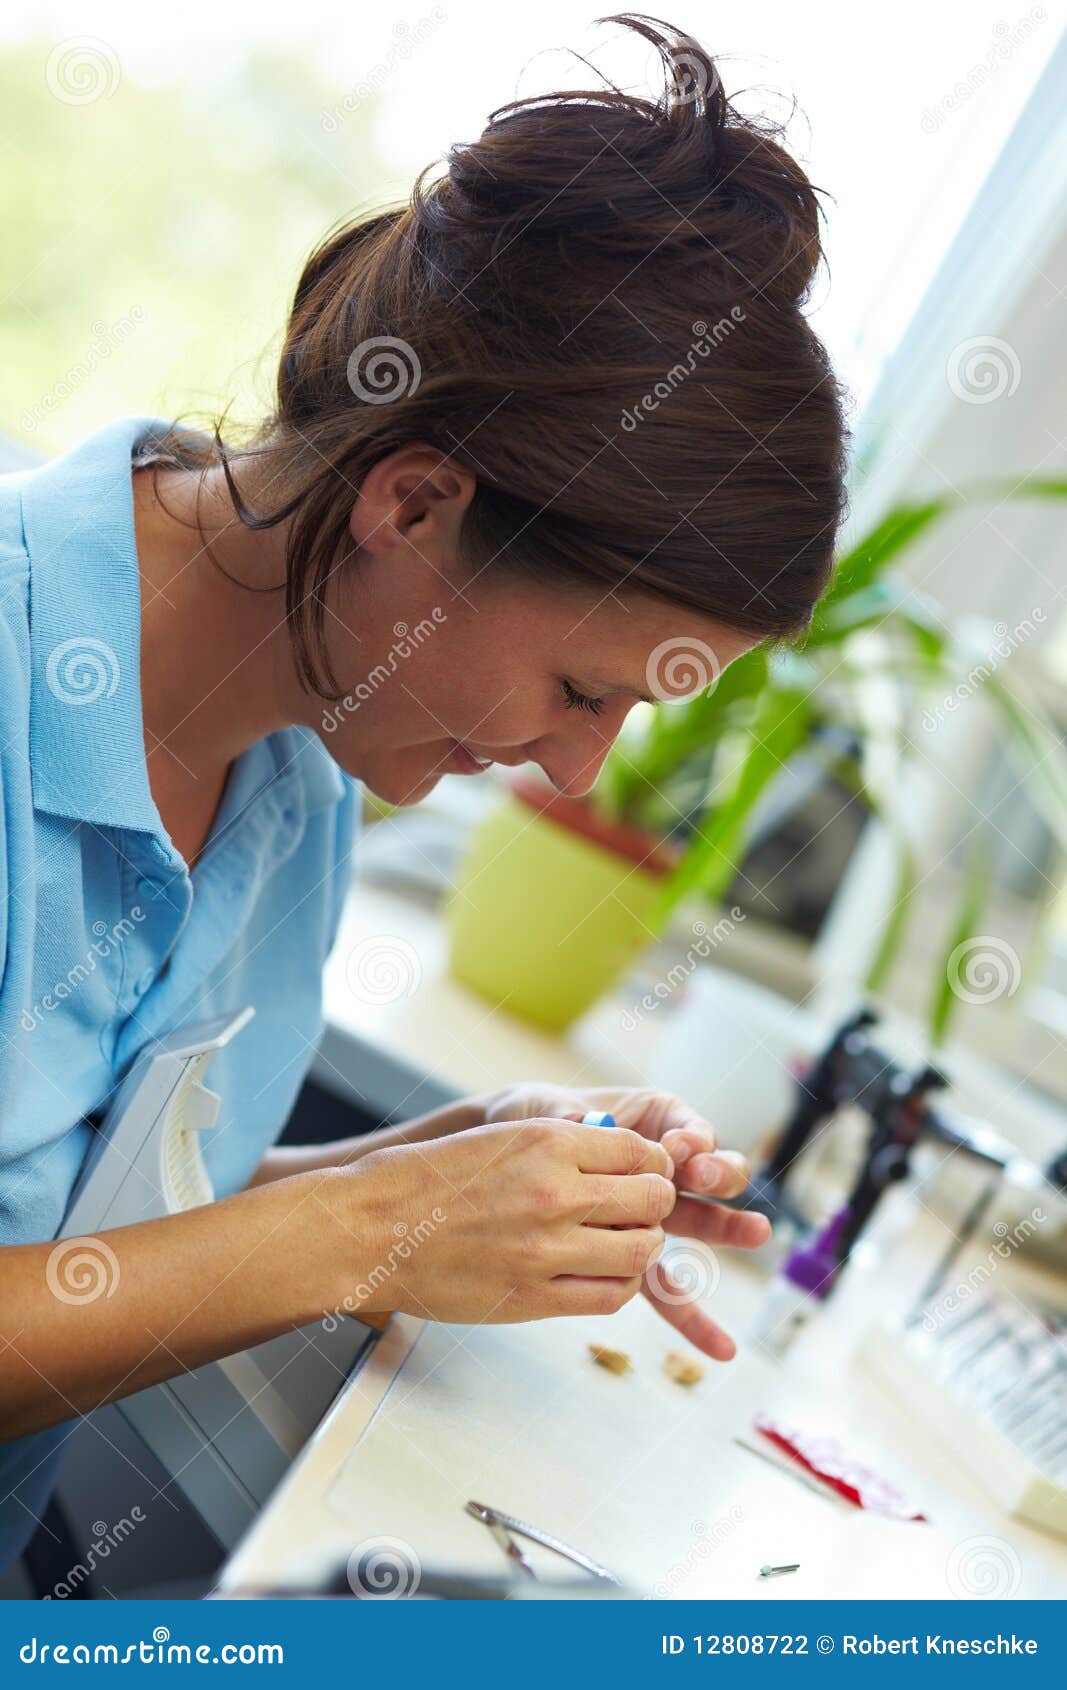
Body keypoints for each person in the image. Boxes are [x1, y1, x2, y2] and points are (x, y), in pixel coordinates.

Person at [0, 15, 848, 1576]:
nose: (578, 770)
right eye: (583, 690)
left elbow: (76, 1218)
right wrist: (371, 1232)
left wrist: (461, 1173)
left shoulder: (308, 770)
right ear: (413, 499)